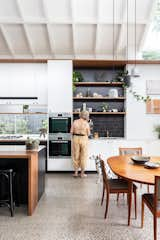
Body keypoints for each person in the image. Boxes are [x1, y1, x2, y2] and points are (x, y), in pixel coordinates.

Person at [70, 111, 90, 178]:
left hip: (76, 138)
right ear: (86, 116)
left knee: (76, 155)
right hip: (84, 139)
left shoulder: (75, 122)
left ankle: (76, 173)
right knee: (83, 156)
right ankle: (82, 174)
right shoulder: (86, 123)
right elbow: (89, 133)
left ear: (80, 115)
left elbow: (71, 131)